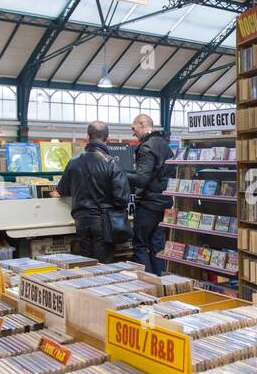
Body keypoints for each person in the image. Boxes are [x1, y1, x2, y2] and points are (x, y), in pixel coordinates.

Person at [57, 121, 130, 263]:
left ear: (87, 137)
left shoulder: (73, 162)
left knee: (86, 263)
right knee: (103, 265)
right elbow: (121, 198)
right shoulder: (111, 163)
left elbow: (63, 190)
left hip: (81, 221)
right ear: (107, 138)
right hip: (104, 222)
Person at [128, 113, 173, 274]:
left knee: (140, 245)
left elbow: (141, 179)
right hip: (164, 203)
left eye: (134, 128)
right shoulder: (165, 145)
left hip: (148, 204)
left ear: (142, 124)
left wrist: (118, 174)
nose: (133, 133)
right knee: (158, 246)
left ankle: (147, 283)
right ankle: (160, 280)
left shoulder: (147, 147)